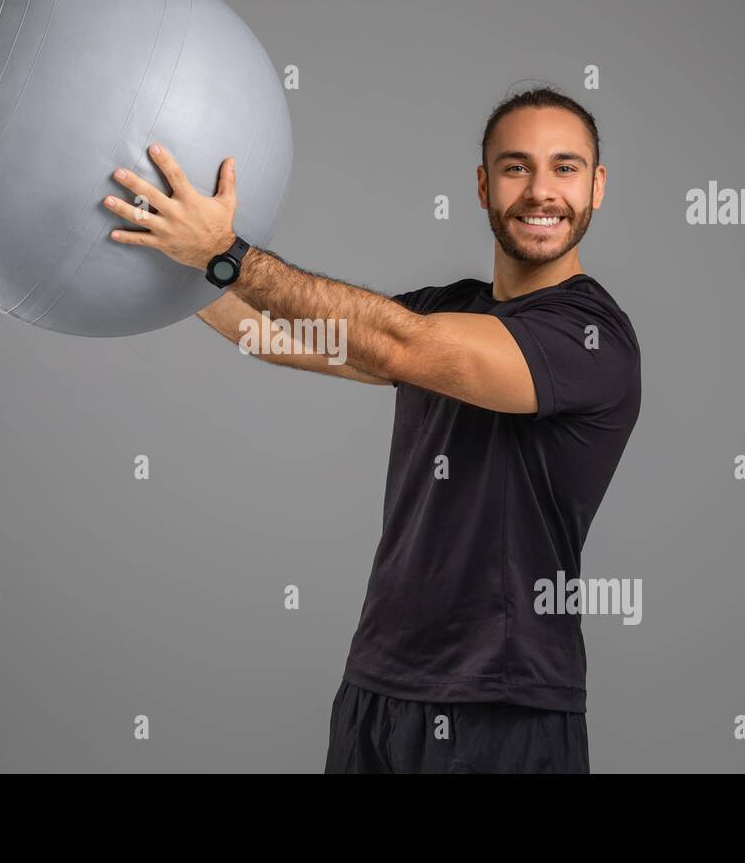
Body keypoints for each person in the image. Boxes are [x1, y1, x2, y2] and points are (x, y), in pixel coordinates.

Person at [103, 85, 642, 774]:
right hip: (379, 689)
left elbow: (399, 346)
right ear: (482, 186)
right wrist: (167, 247)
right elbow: (267, 332)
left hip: (504, 705)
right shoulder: (449, 310)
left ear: (597, 185)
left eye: (565, 168)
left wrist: (224, 253)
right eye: (516, 167)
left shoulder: (591, 338)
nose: (541, 191)